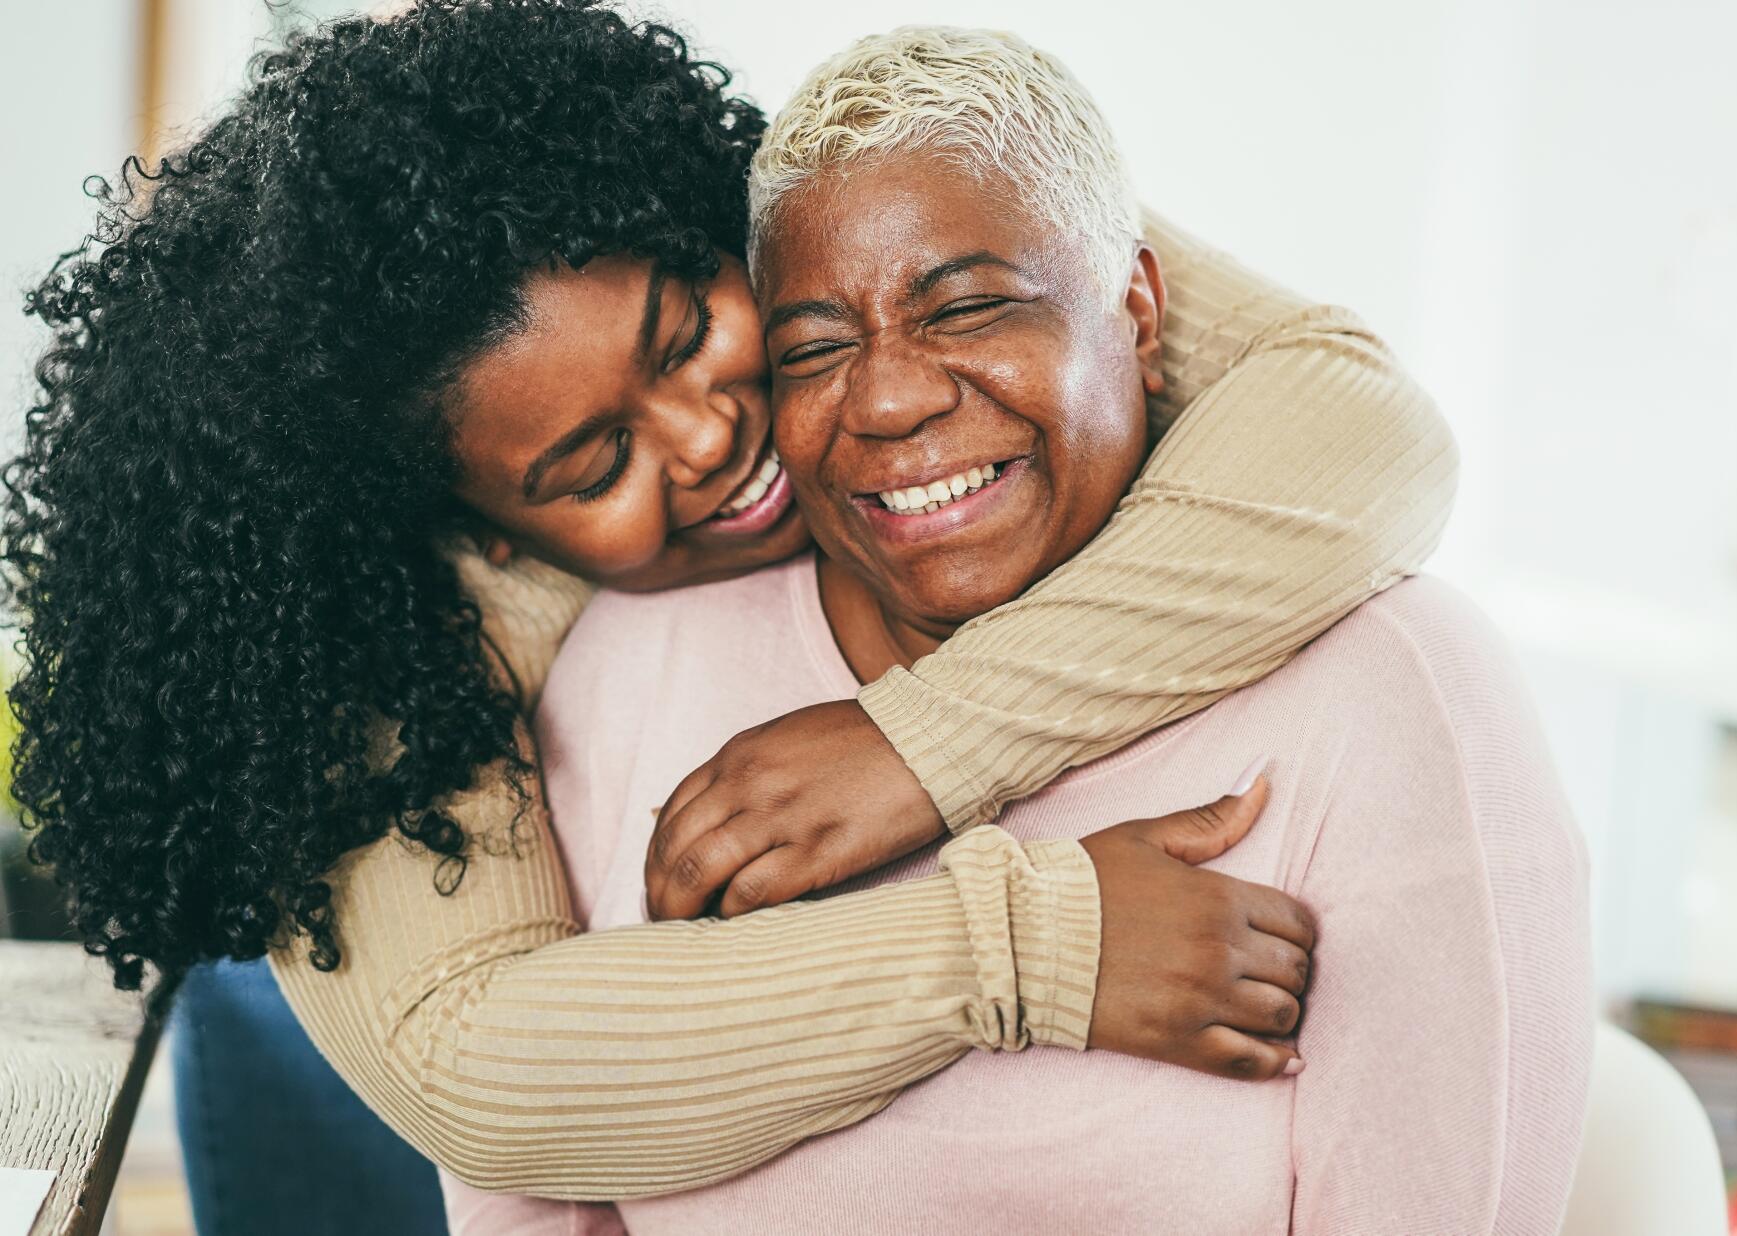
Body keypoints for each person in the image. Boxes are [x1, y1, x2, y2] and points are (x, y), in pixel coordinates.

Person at [3, 0, 1457, 1204]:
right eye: (592, 462)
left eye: (692, 330)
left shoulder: (825, 209)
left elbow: (1360, 420)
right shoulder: (379, 615)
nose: (709, 437)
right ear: (481, 531)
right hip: (359, 1038)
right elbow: (475, 1066)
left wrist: (923, 745)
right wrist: (1024, 948)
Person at [447, 27, 1592, 1234]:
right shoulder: (626, 676)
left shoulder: (1393, 696)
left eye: (971, 307)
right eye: (815, 349)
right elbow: (533, 1186)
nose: (889, 397)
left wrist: (921, 745)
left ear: (1138, 310)